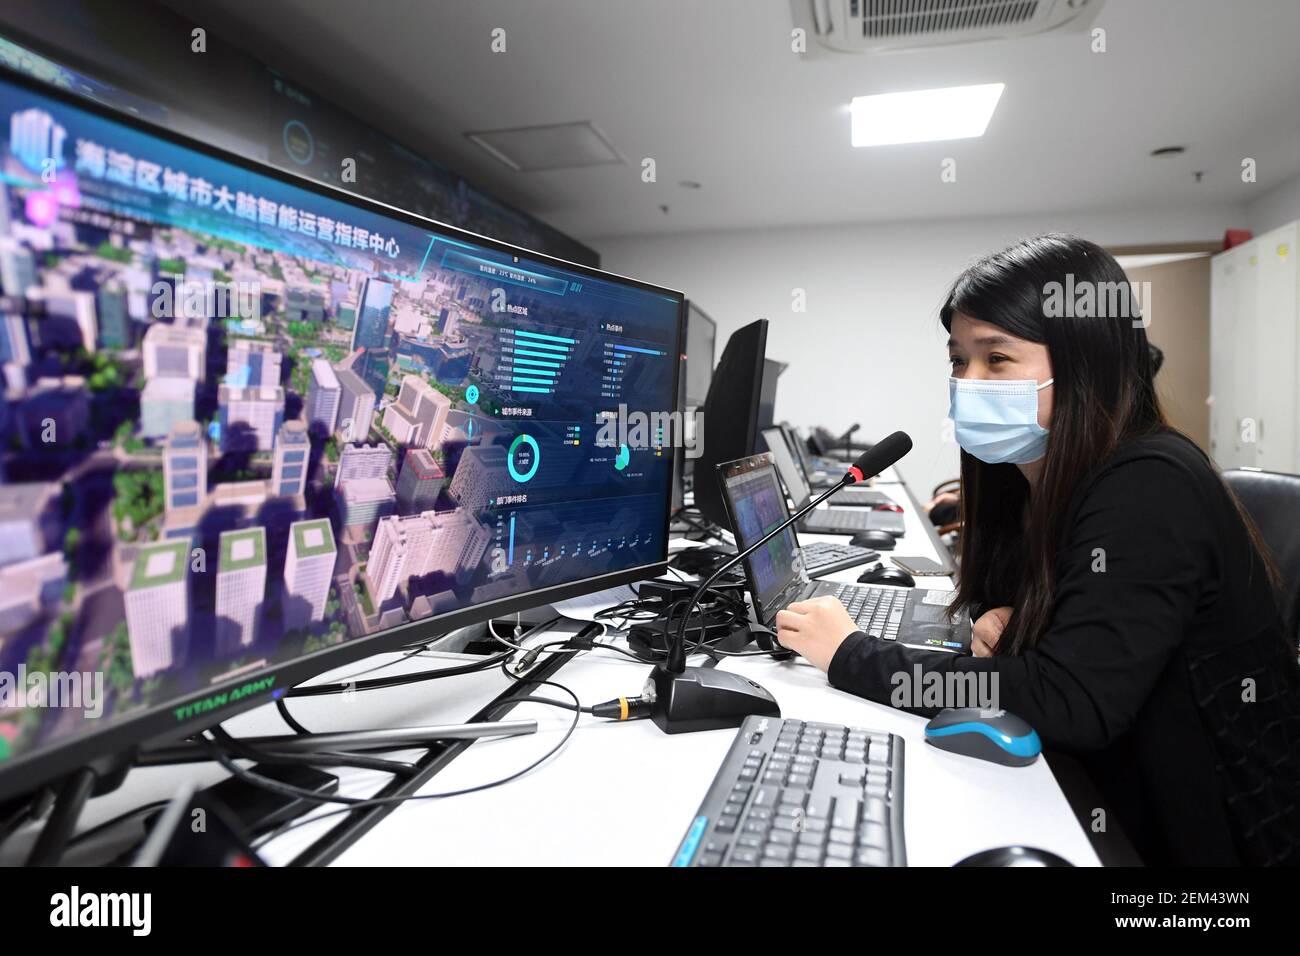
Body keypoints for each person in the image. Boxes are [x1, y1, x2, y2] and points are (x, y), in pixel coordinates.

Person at [775, 234, 1300, 866]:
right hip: (1111, 786)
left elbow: (1072, 699)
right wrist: (1020, 627)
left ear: (1085, 364)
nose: (969, 382)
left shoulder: (1148, 482)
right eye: (958, 360)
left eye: (997, 360)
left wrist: (854, 656)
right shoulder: (1033, 471)